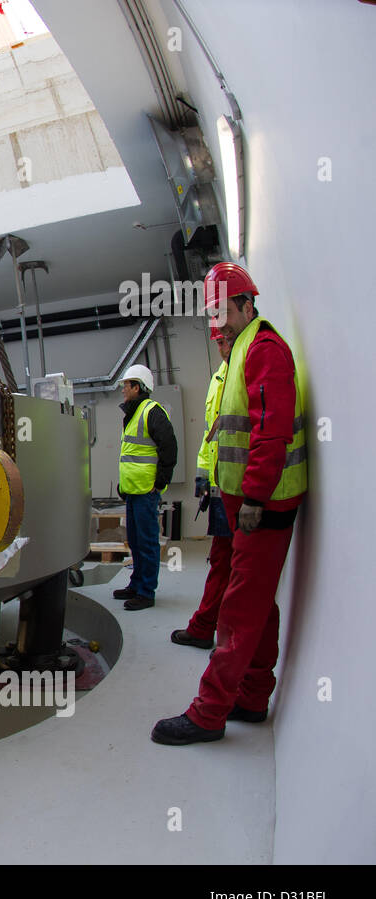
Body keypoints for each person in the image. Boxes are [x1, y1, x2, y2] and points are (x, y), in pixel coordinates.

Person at [152, 263, 307, 744]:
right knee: (259, 606)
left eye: (224, 310)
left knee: (239, 609)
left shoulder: (263, 348)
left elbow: (272, 429)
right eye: (213, 313)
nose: (218, 321)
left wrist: (256, 497)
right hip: (250, 501)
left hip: (266, 503)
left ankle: (209, 712)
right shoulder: (242, 350)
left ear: (246, 304)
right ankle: (253, 696)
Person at [171, 327, 235, 651]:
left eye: (225, 340)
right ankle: (209, 627)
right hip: (222, 486)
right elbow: (212, 437)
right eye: (219, 342)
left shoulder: (238, 373)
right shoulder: (220, 377)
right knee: (222, 561)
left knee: (225, 564)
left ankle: (208, 628)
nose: (222, 347)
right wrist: (204, 480)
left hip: (237, 488)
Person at [111, 364, 177, 611]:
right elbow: (132, 454)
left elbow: (169, 449)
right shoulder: (133, 413)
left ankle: (146, 592)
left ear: (137, 387)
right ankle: (136, 584)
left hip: (146, 492)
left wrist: (159, 483)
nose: (122, 390)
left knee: (147, 543)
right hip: (133, 491)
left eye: (125, 386)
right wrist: (124, 485)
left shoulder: (152, 412)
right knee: (136, 542)